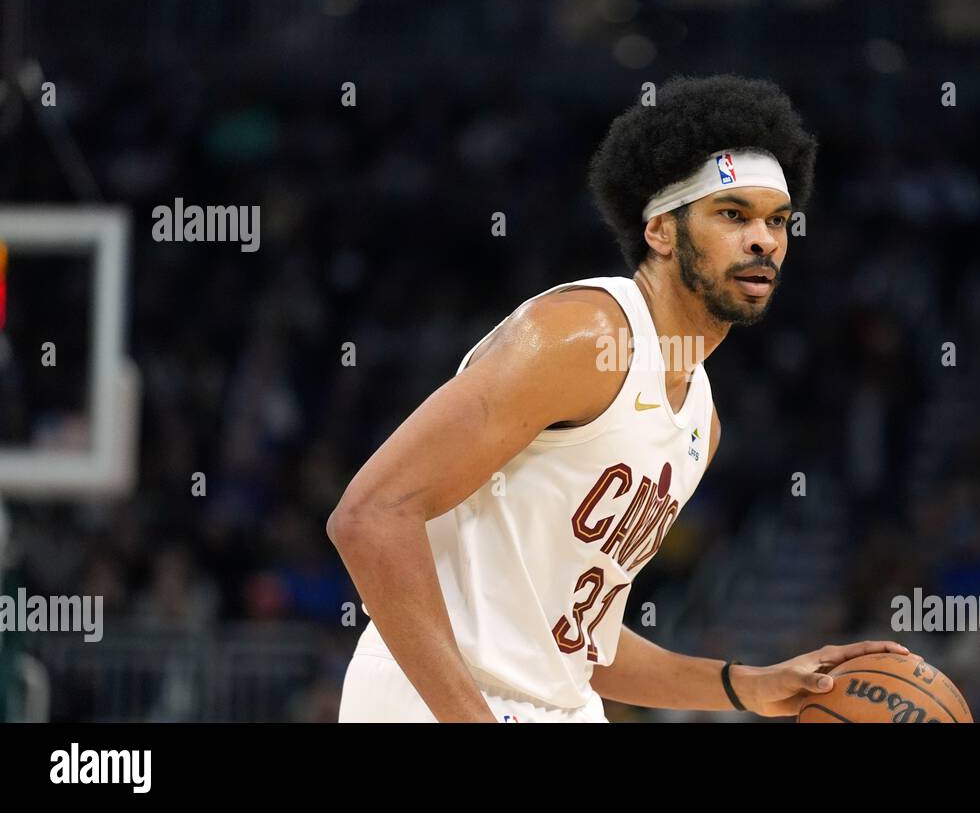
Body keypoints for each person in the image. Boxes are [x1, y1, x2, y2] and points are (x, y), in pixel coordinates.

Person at [329, 74, 909, 722]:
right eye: (733, 214)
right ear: (662, 231)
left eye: (777, 221)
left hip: (562, 706)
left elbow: (578, 643)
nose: (764, 240)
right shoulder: (580, 336)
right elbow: (372, 515)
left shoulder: (699, 421)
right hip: (434, 699)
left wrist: (748, 684)